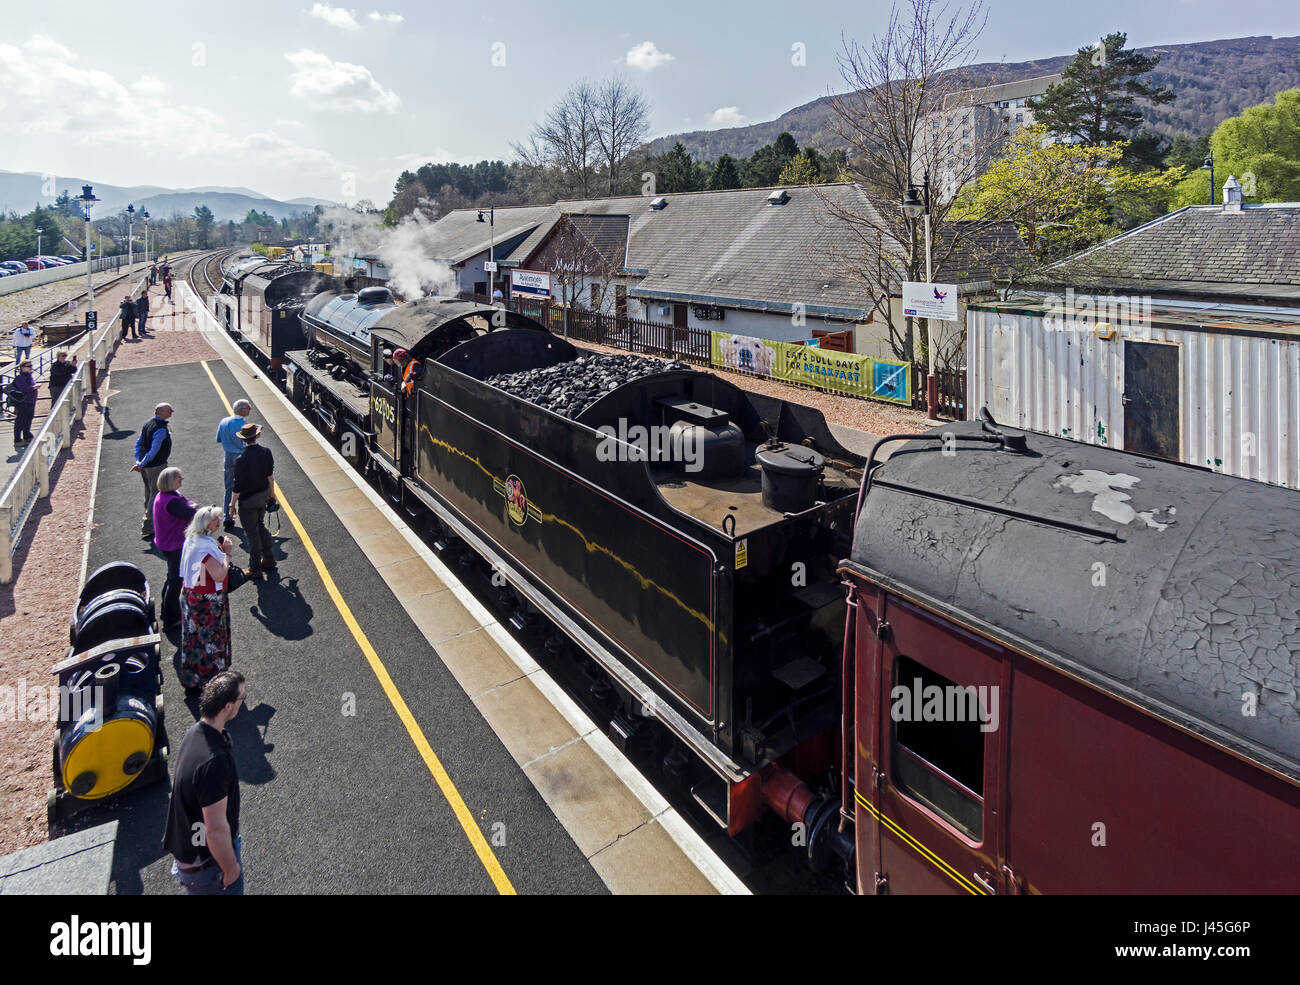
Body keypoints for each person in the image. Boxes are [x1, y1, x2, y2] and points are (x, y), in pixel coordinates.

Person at [163, 670, 246, 895]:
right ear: (228, 706)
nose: (242, 704)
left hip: (190, 856)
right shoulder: (214, 763)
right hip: (209, 866)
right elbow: (216, 830)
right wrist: (231, 870)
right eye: (241, 699)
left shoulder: (195, 733)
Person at [178, 506, 235, 690]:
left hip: (191, 595)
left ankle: (193, 678)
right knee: (210, 641)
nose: (219, 521)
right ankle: (212, 683)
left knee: (193, 639)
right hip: (207, 602)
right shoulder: (204, 546)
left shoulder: (191, 540)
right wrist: (227, 552)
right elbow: (218, 574)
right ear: (205, 524)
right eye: (215, 519)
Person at [153, 467, 198, 629]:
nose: (182, 479)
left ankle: (166, 611)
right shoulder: (172, 502)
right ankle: (170, 617)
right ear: (171, 481)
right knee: (176, 580)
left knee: (172, 577)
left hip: (166, 543)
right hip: (174, 545)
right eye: (179, 478)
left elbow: (185, 504)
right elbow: (192, 514)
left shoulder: (165, 496)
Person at [229, 422, 276, 577]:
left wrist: (232, 504)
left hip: (248, 501)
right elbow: (270, 477)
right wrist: (272, 495)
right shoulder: (266, 452)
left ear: (243, 440)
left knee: (251, 533)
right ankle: (268, 558)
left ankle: (255, 568)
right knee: (260, 525)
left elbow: (237, 486)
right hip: (263, 496)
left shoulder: (240, 460)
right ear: (258, 435)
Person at [132, 403, 173, 540]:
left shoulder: (147, 424)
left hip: (145, 466)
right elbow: (154, 451)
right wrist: (142, 463)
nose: (172, 411)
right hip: (156, 466)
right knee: (155, 494)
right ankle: (149, 525)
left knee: (148, 492)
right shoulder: (160, 429)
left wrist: (138, 461)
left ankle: (150, 517)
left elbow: (138, 443)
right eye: (169, 410)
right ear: (161, 412)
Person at [215, 399, 252, 531]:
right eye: (248, 408)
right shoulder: (244, 425)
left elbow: (218, 439)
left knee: (229, 488)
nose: (250, 410)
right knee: (246, 488)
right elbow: (246, 444)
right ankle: (247, 517)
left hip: (228, 457)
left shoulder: (223, 421)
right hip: (241, 459)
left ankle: (227, 517)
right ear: (242, 409)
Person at [10, 359, 37, 446]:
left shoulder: (29, 376)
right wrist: (34, 387)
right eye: (29, 366)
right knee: (20, 421)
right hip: (23, 402)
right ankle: (17, 440)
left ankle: (27, 436)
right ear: (22, 368)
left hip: (30, 401)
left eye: (31, 366)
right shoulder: (19, 378)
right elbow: (25, 389)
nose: (31, 368)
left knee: (28, 419)